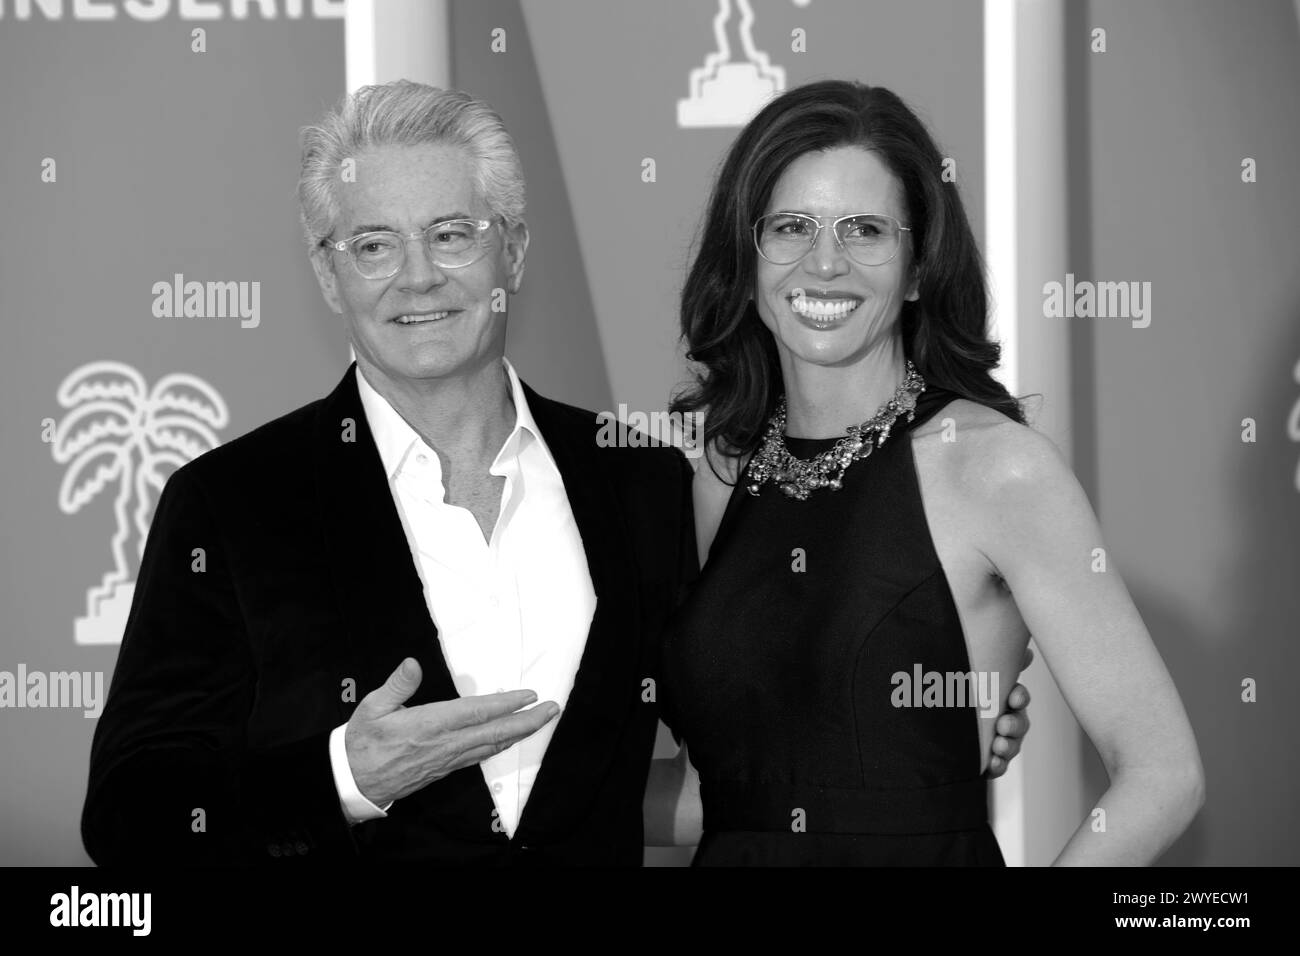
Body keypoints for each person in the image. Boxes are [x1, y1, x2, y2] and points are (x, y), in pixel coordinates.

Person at [82, 80, 1030, 866]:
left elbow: (724, 751)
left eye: (453, 234)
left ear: (513, 250)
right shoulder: (231, 504)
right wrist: (345, 775)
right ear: (330, 276)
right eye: (374, 246)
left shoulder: (645, 484)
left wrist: (920, 727)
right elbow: (129, 817)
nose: (418, 278)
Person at [647, 80, 1204, 866]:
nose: (826, 261)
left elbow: (1163, 775)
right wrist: (496, 805)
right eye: (792, 227)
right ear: (745, 262)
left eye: (866, 230)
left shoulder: (995, 470)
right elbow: (729, 800)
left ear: (916, 269)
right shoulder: (709, 476)